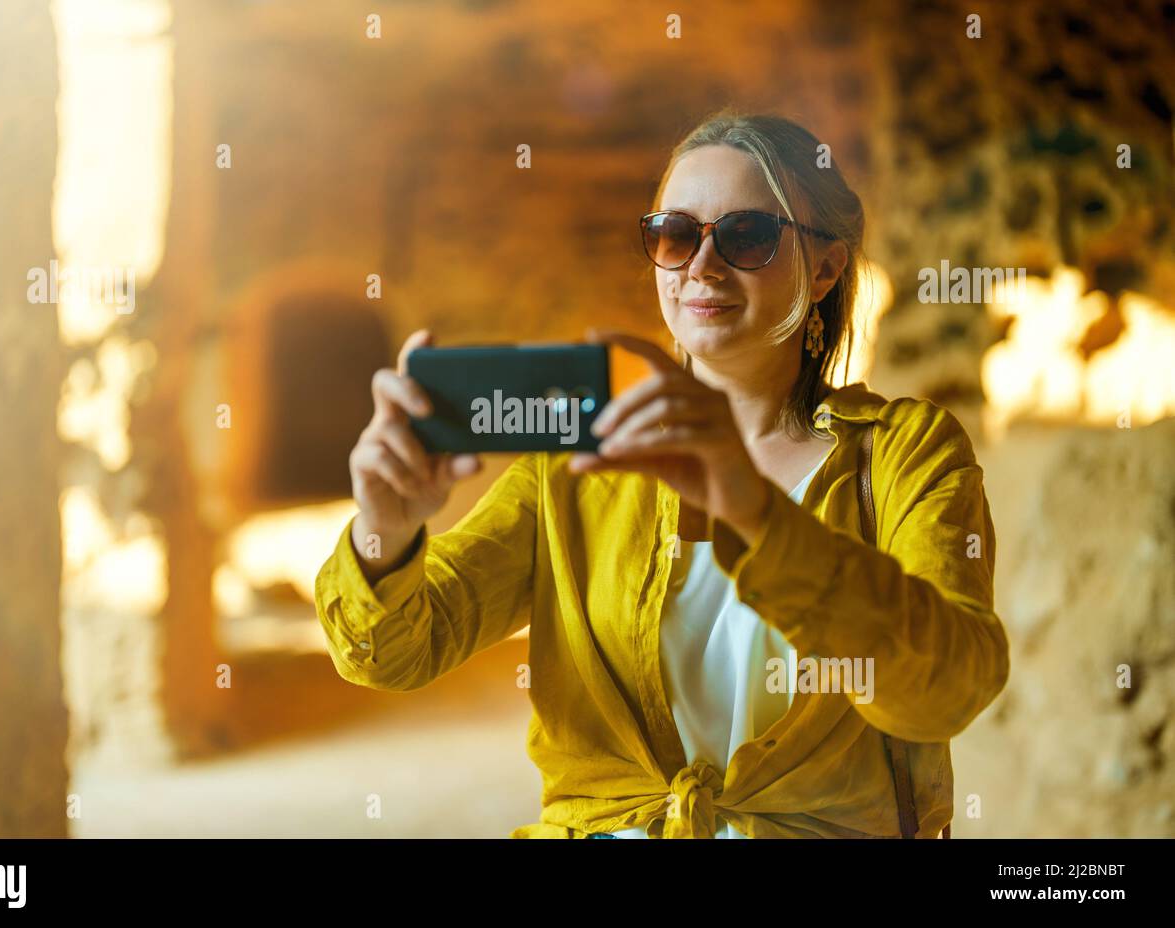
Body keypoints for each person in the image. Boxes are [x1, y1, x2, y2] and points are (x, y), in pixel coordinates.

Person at [313, 110, 1010, 838]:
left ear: (828, 267)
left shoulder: (906, 453)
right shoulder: (577, 461)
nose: (702, 267)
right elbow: (397, 654)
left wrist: (753, 511)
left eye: (747, 236)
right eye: (675, 236)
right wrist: (384, 535)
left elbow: (944, 691)